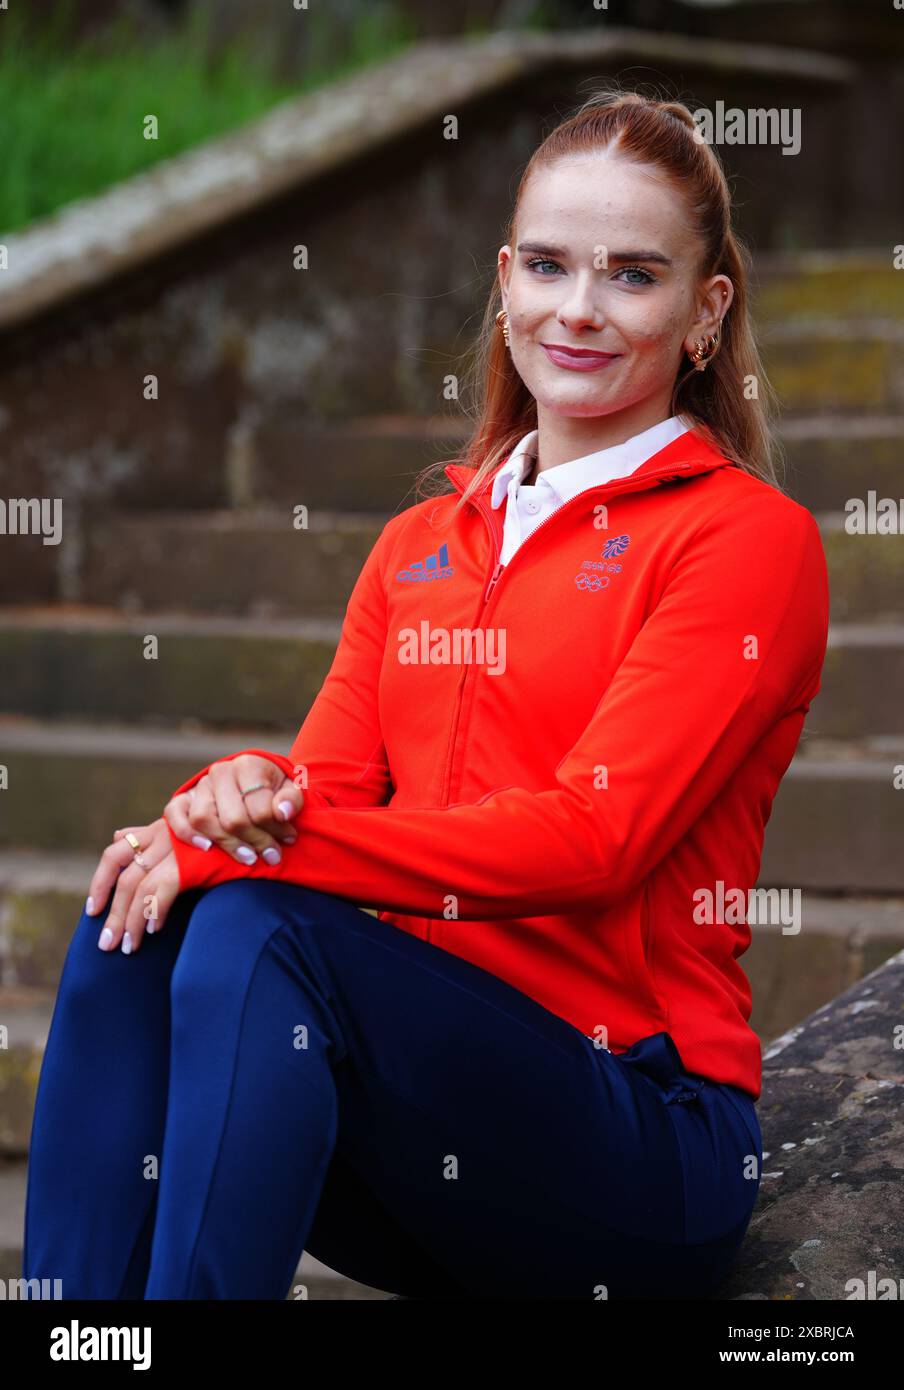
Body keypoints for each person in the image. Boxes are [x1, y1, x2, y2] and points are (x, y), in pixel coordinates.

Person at [23, 87, 829, 1301]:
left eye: (631, 276)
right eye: (549, 266)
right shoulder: (418, 544)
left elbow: (596, 837)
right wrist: (221, 804)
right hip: (425, 1107)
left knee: (253, 921)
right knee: (133, 911)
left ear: (705, 310)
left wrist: (258, 860)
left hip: (637, 1144)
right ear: (503, 281)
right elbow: (327, 793)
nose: (577, 309)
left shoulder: (741, 541)